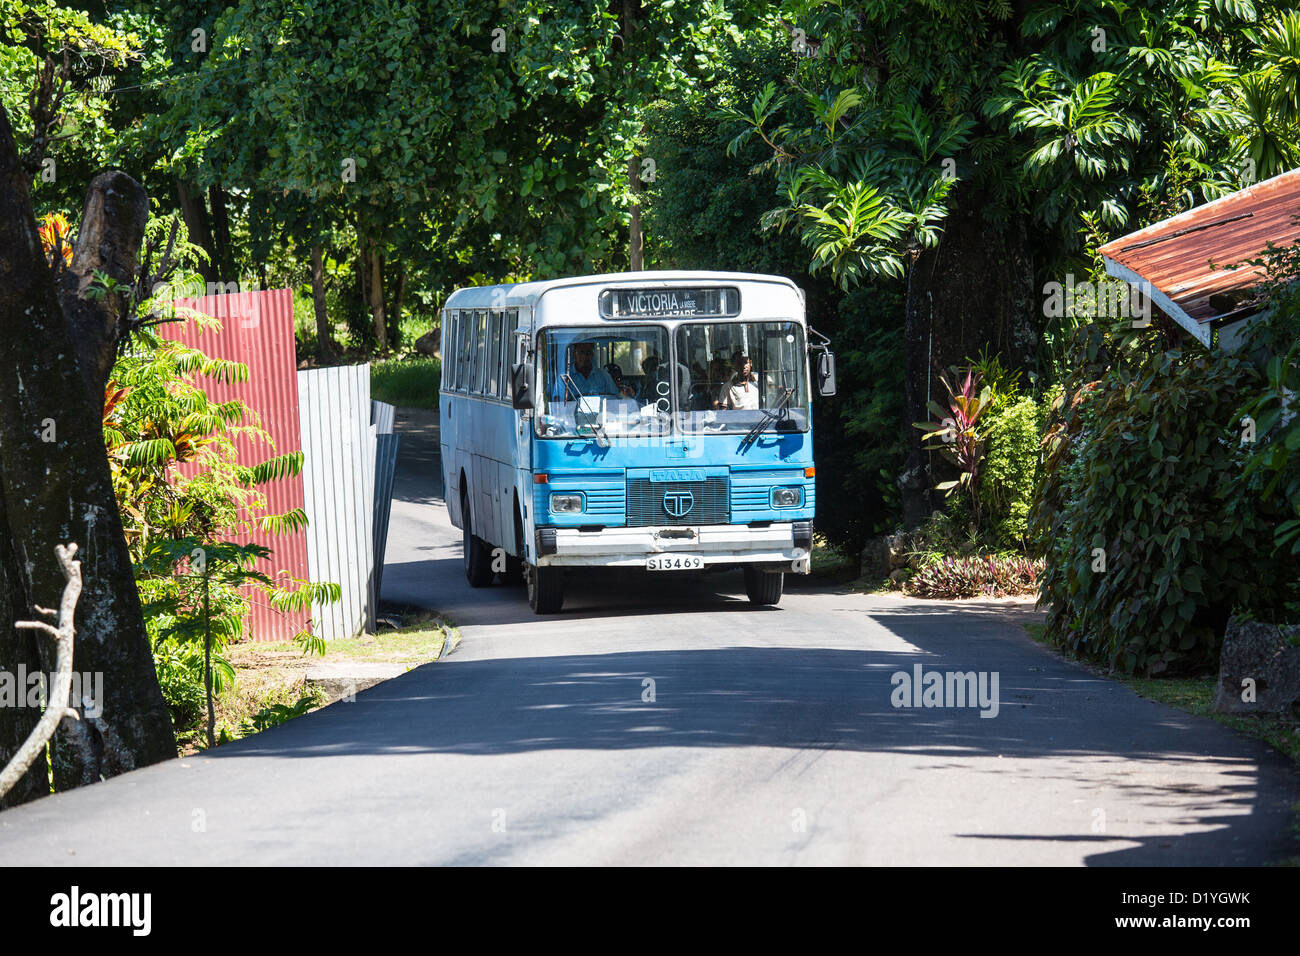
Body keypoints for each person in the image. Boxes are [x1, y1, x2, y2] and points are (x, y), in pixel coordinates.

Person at [554, 340, 619, 399]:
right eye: (581, 352)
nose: (584, 356)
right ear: (574, 354)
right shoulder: (564, 378)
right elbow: (558, 404)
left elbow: (615, 399)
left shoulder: (604, 376)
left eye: (588, 352)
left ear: (593, 354)